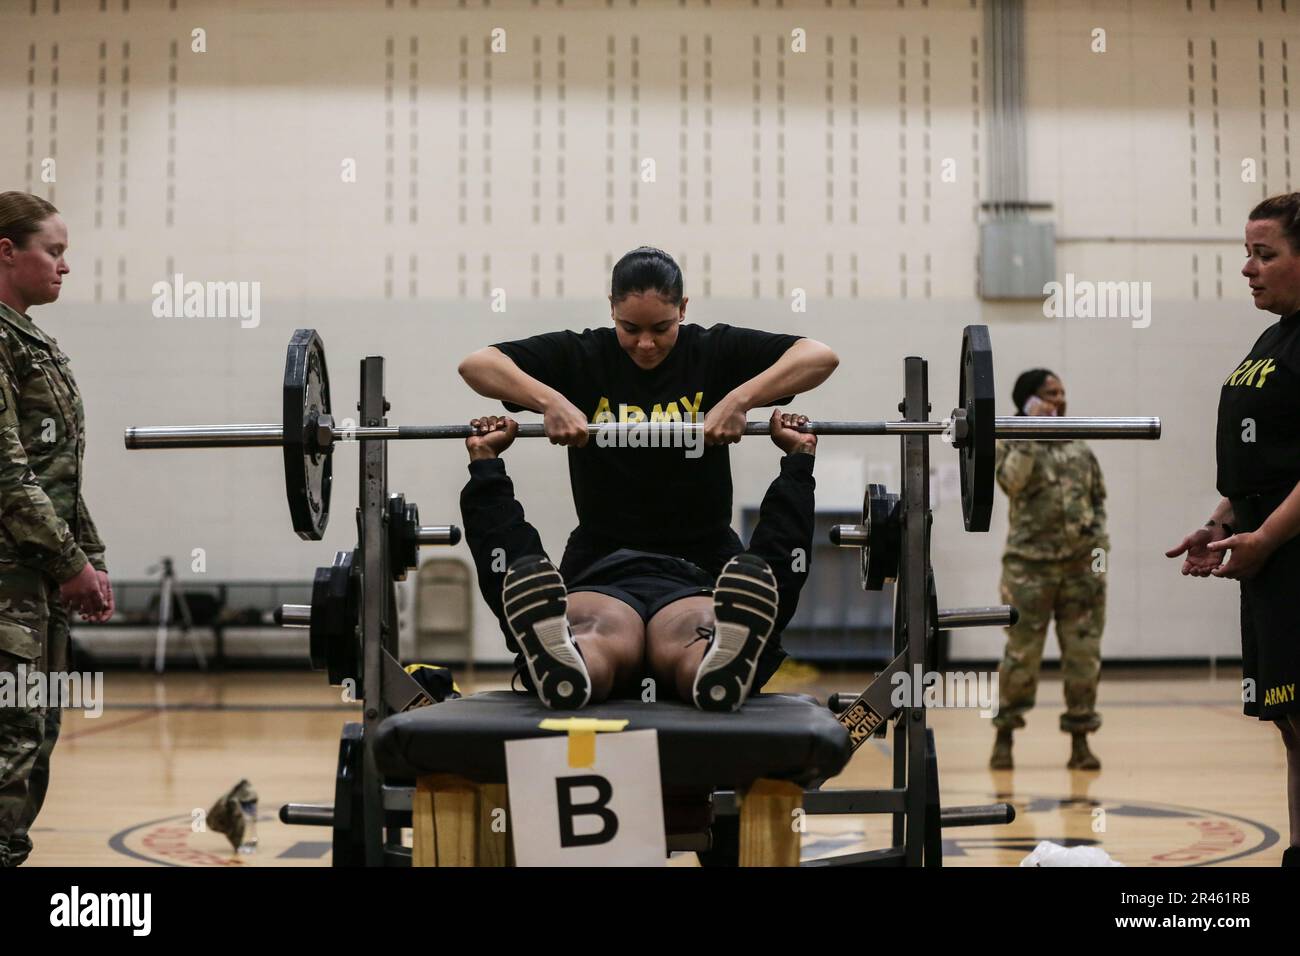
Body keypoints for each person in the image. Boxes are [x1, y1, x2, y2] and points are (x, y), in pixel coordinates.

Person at [459, 408, 816, 711]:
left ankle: (575, 665)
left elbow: (508, 559)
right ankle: (711, 667)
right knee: (696, 633)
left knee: (595, 632)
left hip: (602, 591)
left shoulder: (591, 546)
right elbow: (778, 569)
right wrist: (798, 464)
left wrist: (486, 468)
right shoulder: (715, 545)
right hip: (691, 593)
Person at [1166, 192, 1300, 867]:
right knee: (1291, 722)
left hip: (1292, 552)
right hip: (1271, 553)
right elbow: (1262, 457)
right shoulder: (1272, 337)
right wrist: (1220, 523)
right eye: (1247, 253)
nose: (1248, 268)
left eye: (1265, 254)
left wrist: (1268, 537)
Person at [0, 191, 113, 867]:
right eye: (54, 251)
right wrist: (71, 563)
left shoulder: (30, 340)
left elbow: (55, 472)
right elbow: (8, 477)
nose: (64, 267)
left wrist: (87, 560)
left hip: (37, 587)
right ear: (6, 252)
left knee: (33, 738)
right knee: (9, 746)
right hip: (9, 586)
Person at [990, 368, 1108, 771]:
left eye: (1062, 392)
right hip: (1028, 568)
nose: (1059, 400)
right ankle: (1004, 736)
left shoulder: (1078, 445)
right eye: (1049, 393)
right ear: (1027, 401)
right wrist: (1029, 430)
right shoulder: (1011, 440)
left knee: (1083, 655)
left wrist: (1098, 555)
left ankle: (1080, 742)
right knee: (1021, 657)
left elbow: (1098, 501)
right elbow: (1012, 483)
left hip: (1080, 570)